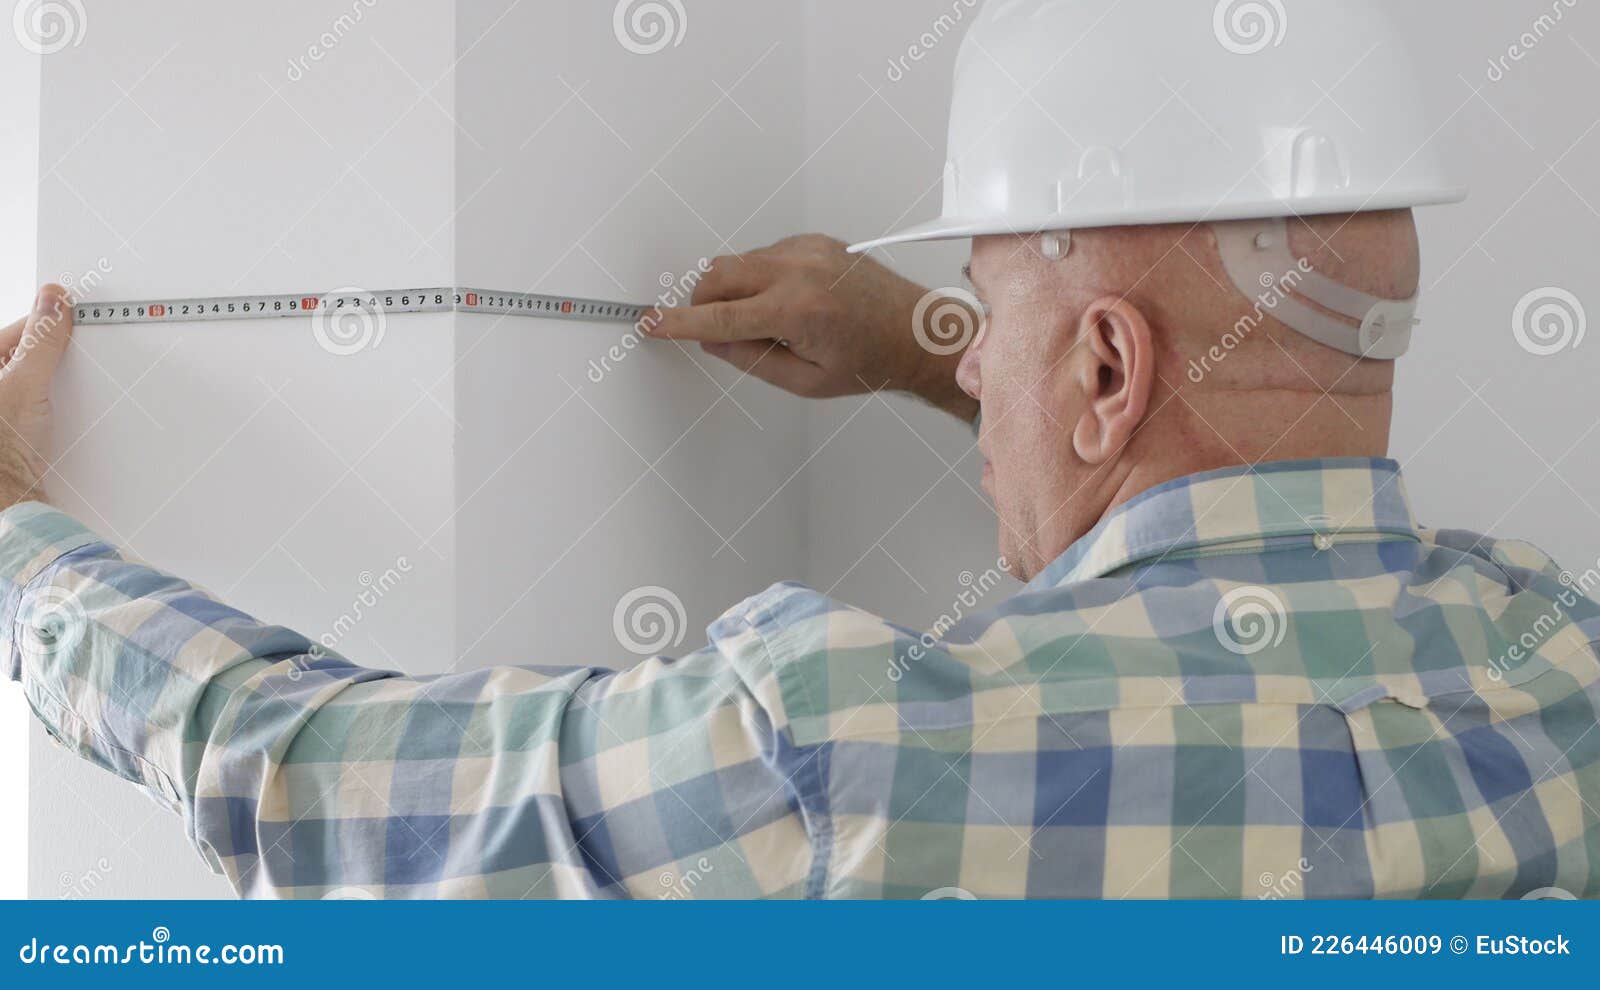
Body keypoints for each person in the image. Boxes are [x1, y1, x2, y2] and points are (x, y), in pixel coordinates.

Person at [3, 0, 1597, 899]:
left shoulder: (851, 756)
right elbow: (1215, 482)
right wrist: (939, 342)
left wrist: (22, 541)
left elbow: (317, 786)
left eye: (990, 315)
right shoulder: (1558, 667)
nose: (967, 363)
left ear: (1106, 367)